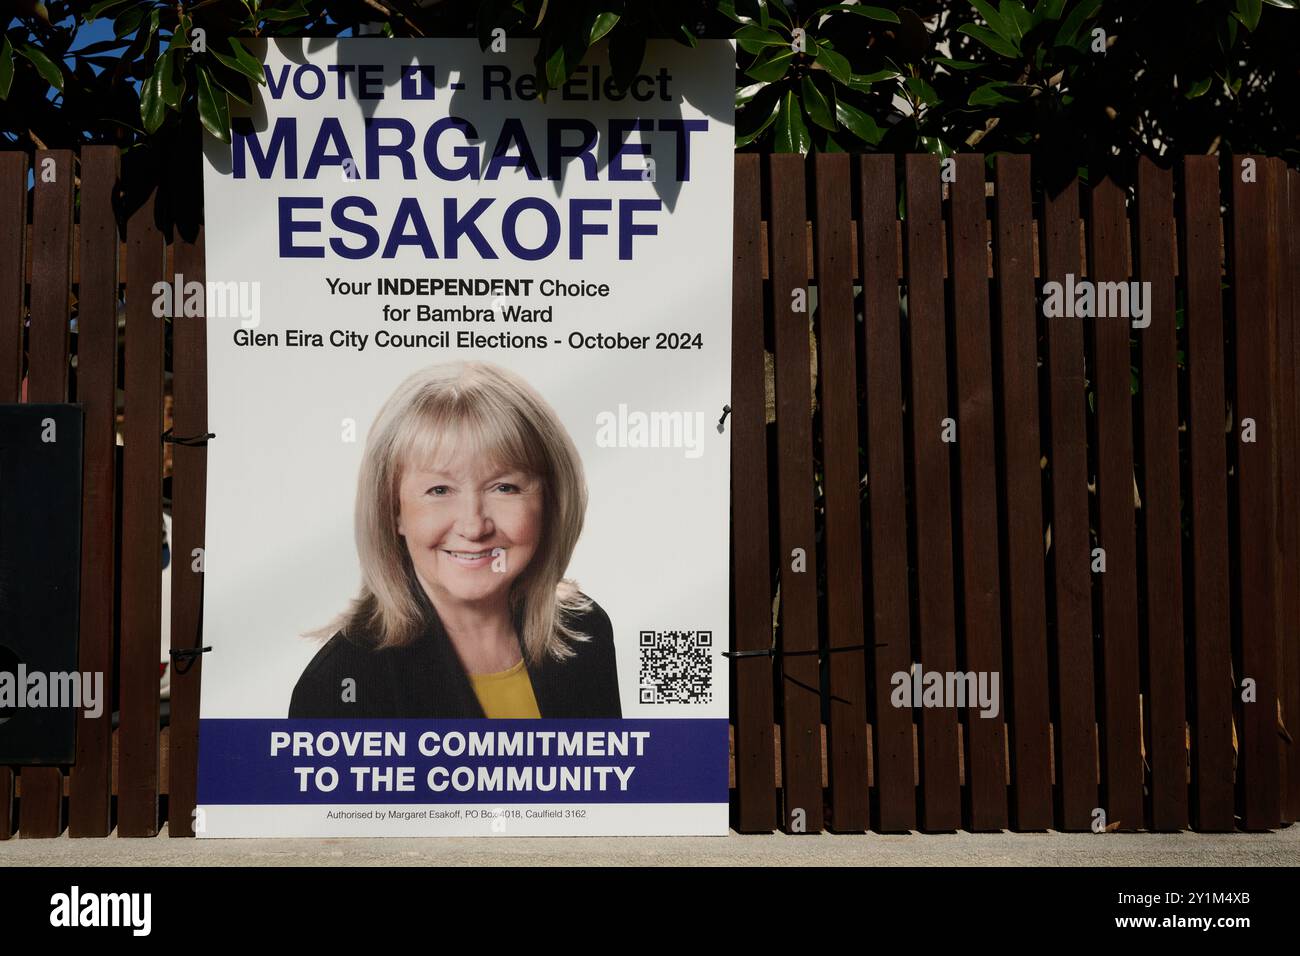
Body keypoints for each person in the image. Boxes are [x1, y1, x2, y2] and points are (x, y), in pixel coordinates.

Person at [289, 361, 621, 719]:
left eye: (504, 487)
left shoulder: (584, 631)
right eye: (439, 489)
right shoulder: (342, 682)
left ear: (550, 501)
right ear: (393, 511)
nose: (474, 526)